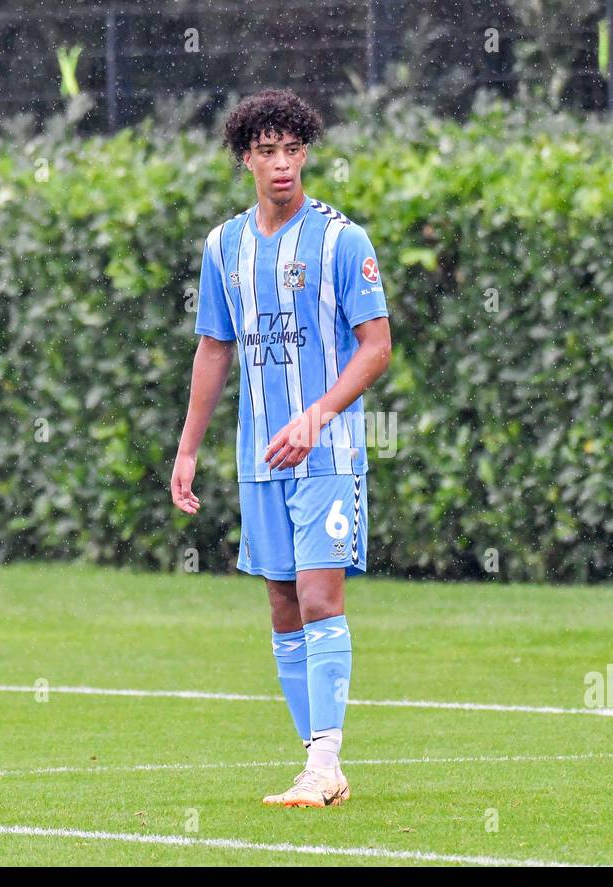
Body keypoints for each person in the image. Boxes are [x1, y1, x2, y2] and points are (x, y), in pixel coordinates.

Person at [170, 88, 392, 808]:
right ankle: (317, 761)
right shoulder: (224, 246)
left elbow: (376, 348)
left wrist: (320, 415)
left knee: (320, 596)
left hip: (328, 456)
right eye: (266, 151)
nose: (282, 164)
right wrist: (188, 449)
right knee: (282, 605)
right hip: (259, 457)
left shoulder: (341, 240)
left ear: (306, 154)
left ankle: (324, 767)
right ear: (246, 160)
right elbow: (213, 347)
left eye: (292, 149)